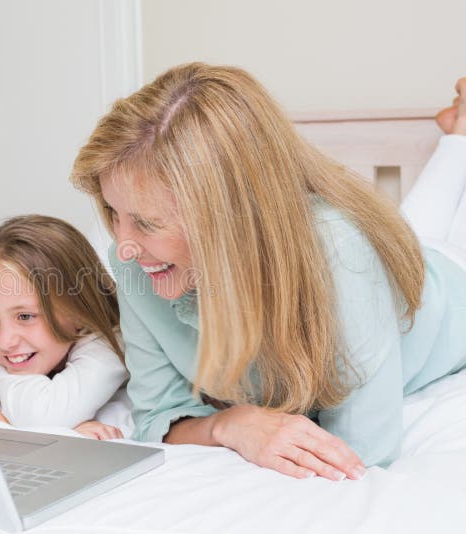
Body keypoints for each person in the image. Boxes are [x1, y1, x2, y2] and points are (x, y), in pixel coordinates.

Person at [70, 64, 466, 479]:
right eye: (114, 214)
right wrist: (228, 423)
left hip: (449, 296)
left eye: (147, 223)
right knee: (417, 227)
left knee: (434, 237)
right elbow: (156, 418)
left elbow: (359, 455)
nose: (125, 246)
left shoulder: (342, 251)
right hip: (384, 263)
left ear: (230, 216)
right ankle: (456, 136)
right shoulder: (132, 261)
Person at [0, 214, 130, 440]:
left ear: (77, 310)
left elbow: (41, 417)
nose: (5, 341)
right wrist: (62, 430)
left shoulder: (110, 342)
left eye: (26, 316)